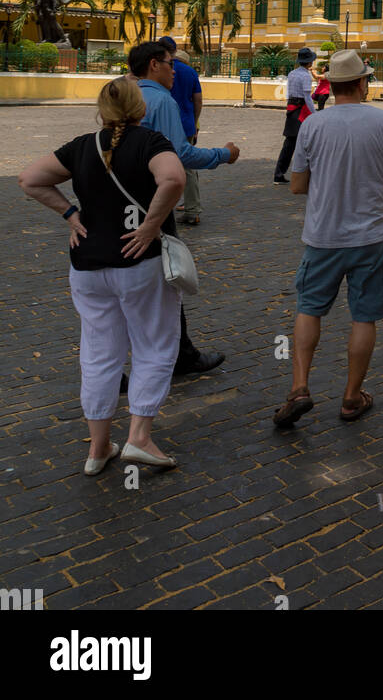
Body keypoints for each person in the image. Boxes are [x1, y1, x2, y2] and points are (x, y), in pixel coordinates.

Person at [18, 76, 187, 471]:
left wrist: (70, 213)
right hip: (137, 263)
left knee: (98, 354)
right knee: (154, 346)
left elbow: (29, 179)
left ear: (103, 109)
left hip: (88, 265)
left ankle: (98, 448)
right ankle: (139, 437)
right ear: (140, 108)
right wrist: (151, 226)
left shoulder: (81, 146)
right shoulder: (151, 143)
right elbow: (174, 179)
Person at [272, 50, 383, 428]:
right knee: (365, 316)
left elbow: (297, 185)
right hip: (371, 236)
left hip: (323, 236)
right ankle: (352, 397)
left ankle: (300, 387)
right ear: (363, 83)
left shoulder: (313, 125)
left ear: (331, 86)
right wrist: (381, 199)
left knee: (309, 307)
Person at [128, 41, 239, 377]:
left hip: (117, 198)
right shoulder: (161, 99)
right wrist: (224, 154)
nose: (174, 70)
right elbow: (180, 155)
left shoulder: (119, 91)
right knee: (167, 278)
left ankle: (116, 360)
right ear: (153, 64)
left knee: (121, 280)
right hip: (153, 199)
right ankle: (180, 355)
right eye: (169, 63)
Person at [157, 37, 203, 225]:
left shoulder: (157, 70)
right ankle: (193, 210)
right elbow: (198, 100)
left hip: (162, 123)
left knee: (158, 163)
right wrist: (194, 120)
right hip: (186, 124)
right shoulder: (190, 71)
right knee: (188, 166)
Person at [274, 47, 316, 183]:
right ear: (309, 62)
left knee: (290, 143)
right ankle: (303, 174)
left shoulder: (292, 73)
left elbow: (288, 93)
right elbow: (307, 96)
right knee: (302, 142)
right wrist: (314, 113)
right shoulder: (305, 76)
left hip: (292, 108)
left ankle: (279, 173)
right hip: (301, 110)